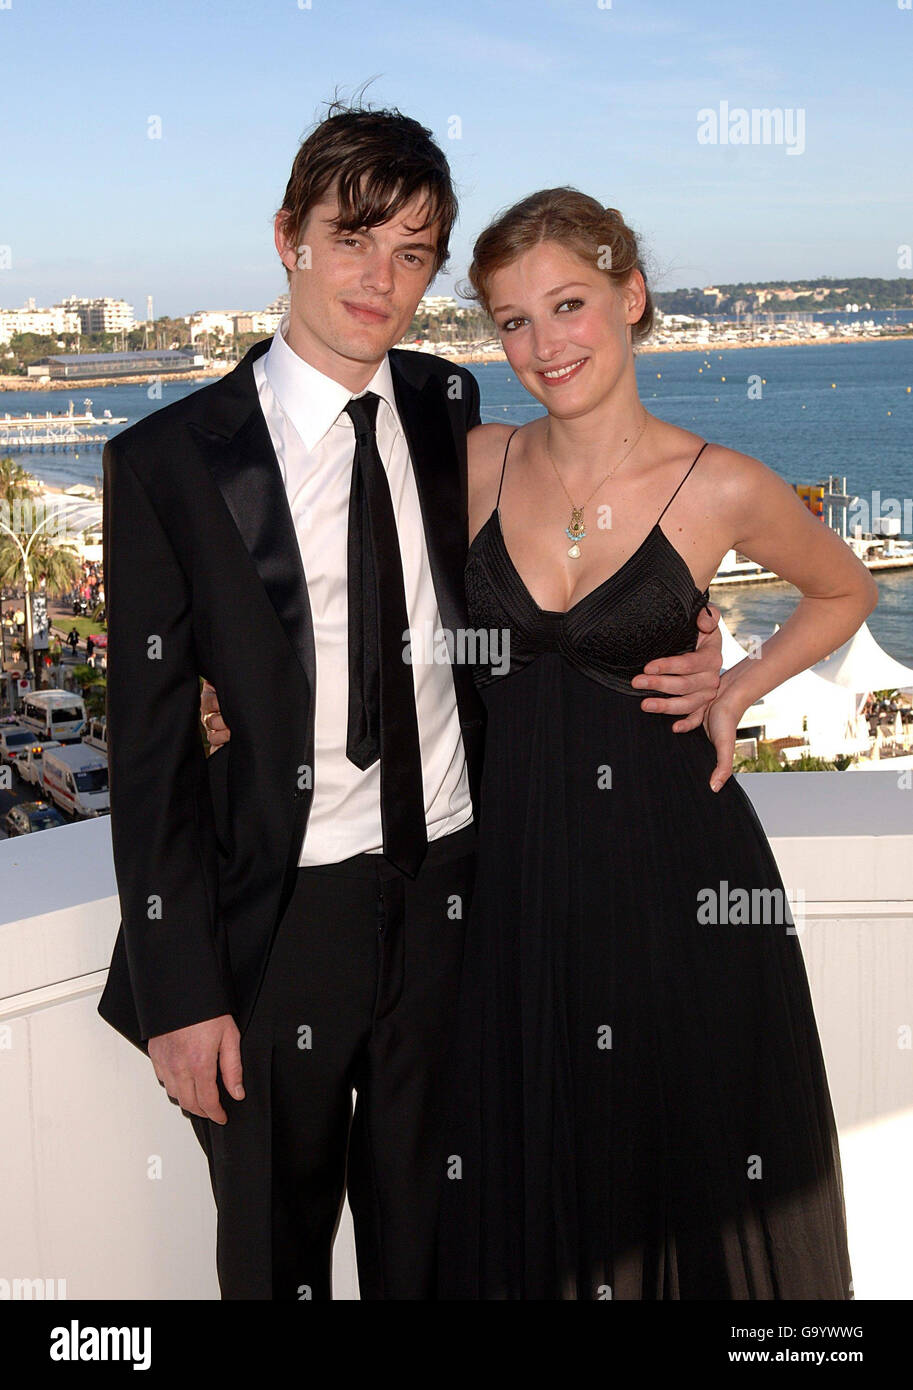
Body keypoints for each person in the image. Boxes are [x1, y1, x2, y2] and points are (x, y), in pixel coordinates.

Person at [102, 104, 723, 1302]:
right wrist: (184, 997)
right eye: (353, 240)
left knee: (440, 1246)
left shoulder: (446, 408)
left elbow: (576, 539)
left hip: (452, 893)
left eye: (414, 253)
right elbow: (148, 751)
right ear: (288, 236)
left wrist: (700, 644)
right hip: (277, 922)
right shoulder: (170, 461)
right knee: (274, 1253)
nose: (380, 281)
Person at [427, 188, 869, 1298]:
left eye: (568, 303)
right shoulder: (477, 461)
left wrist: (737, 683)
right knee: (526, 1160)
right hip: (510, 878)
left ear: (629, 297)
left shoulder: (717, 483)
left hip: (678, 873)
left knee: (684, 1155)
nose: (543, 345)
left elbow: (843, 587)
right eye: (512, 320)